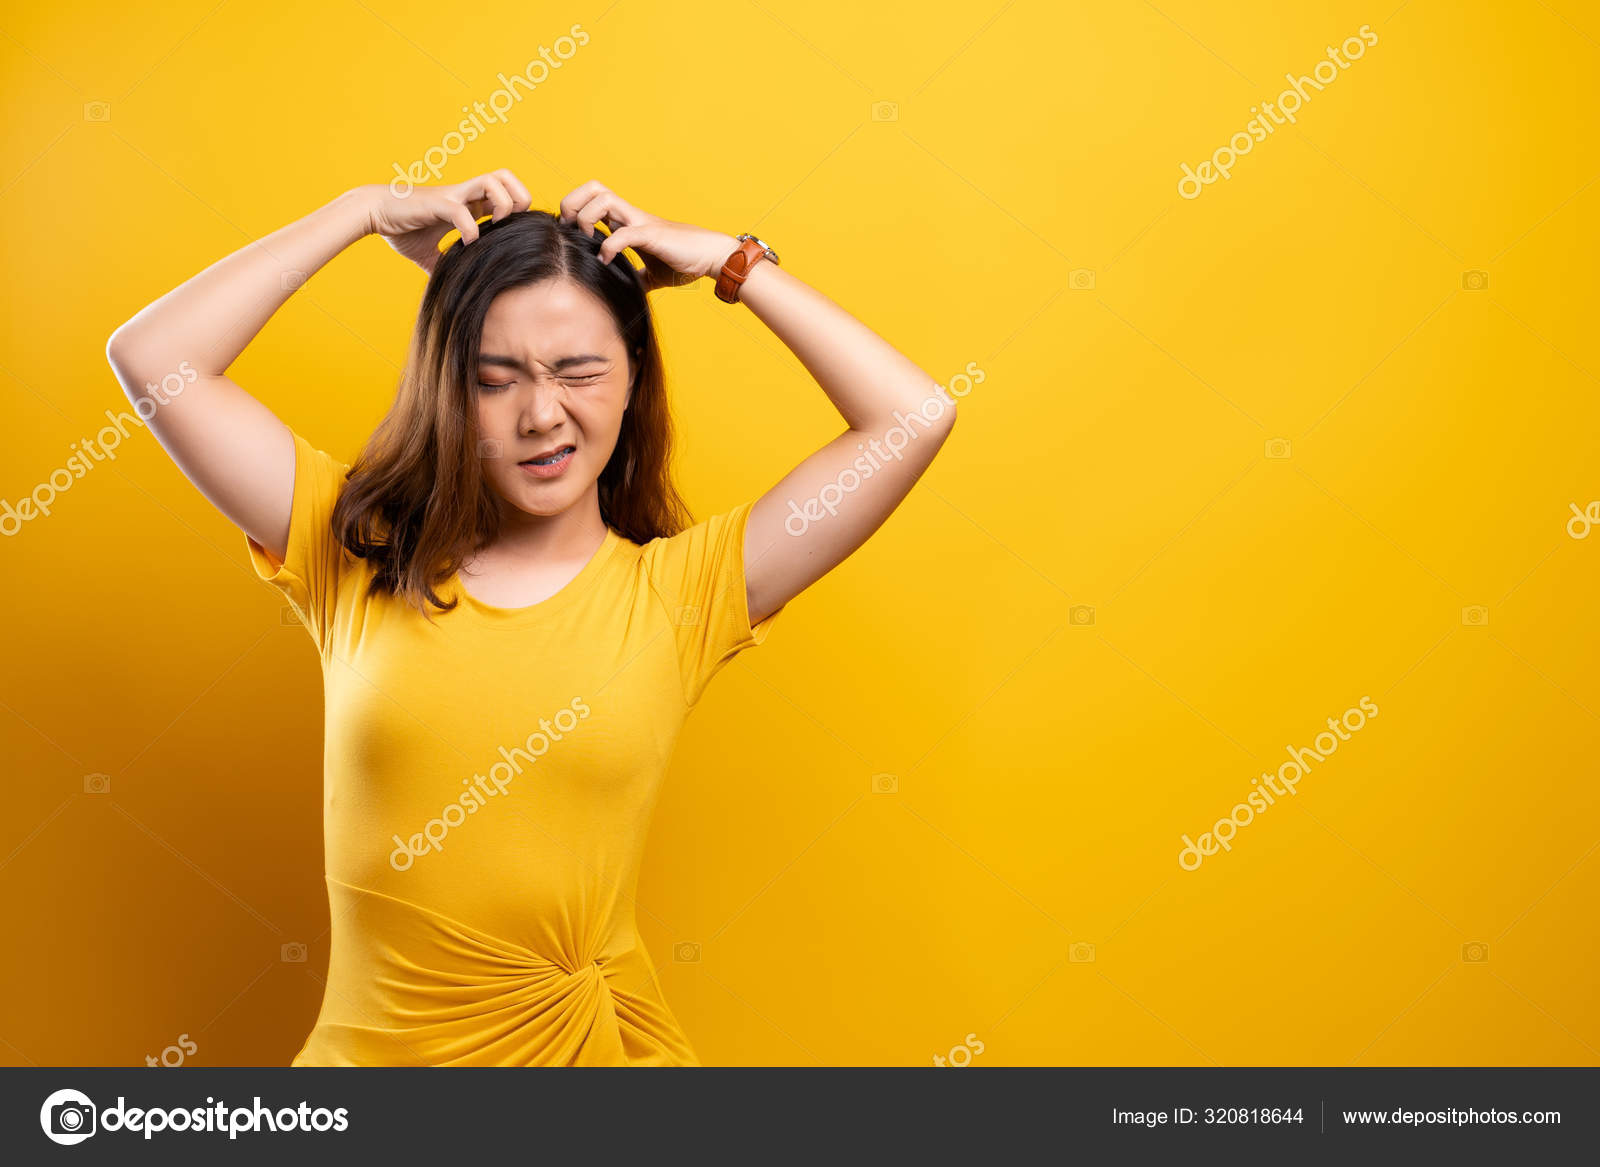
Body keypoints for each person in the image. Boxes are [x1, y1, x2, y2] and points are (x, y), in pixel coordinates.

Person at [105, 172, 958, 1065]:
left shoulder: (686, 592)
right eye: (494, 378)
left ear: (633, 377)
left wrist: (728, 262)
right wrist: (361, 212)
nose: (542, 414)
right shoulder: (351, 550)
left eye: (579, 371)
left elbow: (912, 415)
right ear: (448, 388)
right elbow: (155, 359)